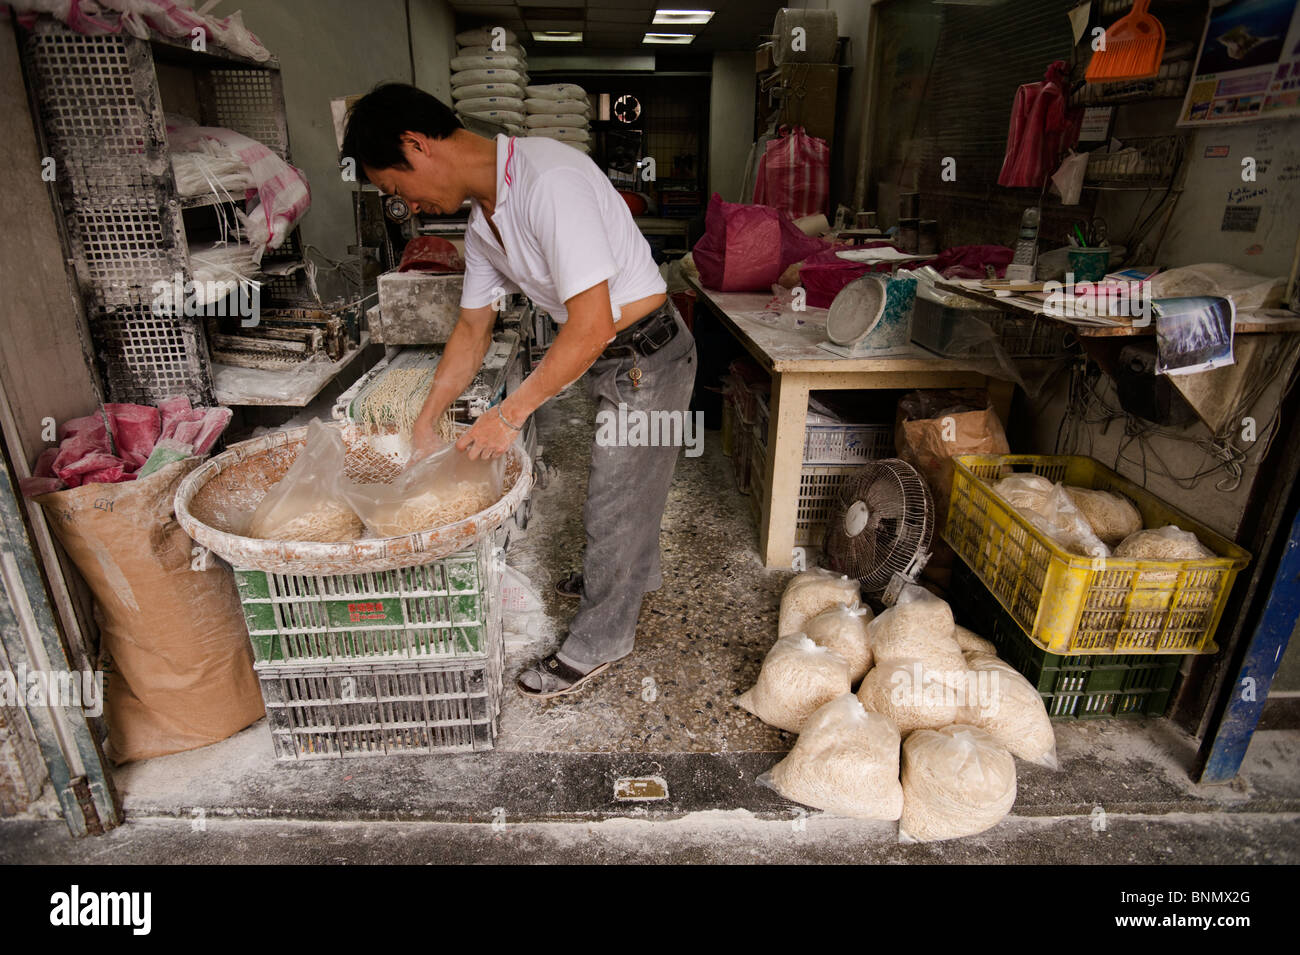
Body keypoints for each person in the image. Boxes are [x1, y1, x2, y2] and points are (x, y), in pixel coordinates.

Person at [341, 84, 696, 698]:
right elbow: (472, 330)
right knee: (627, 489)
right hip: (615, 357)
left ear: (416, 145)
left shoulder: (547, 181)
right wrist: (428, 419)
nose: (412, 206)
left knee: (615, 499)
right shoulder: (485, 224)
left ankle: (604, 636)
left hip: (648, 355)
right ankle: (624, 577)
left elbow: (588, 328)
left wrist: (508, 416)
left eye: (398, 190)